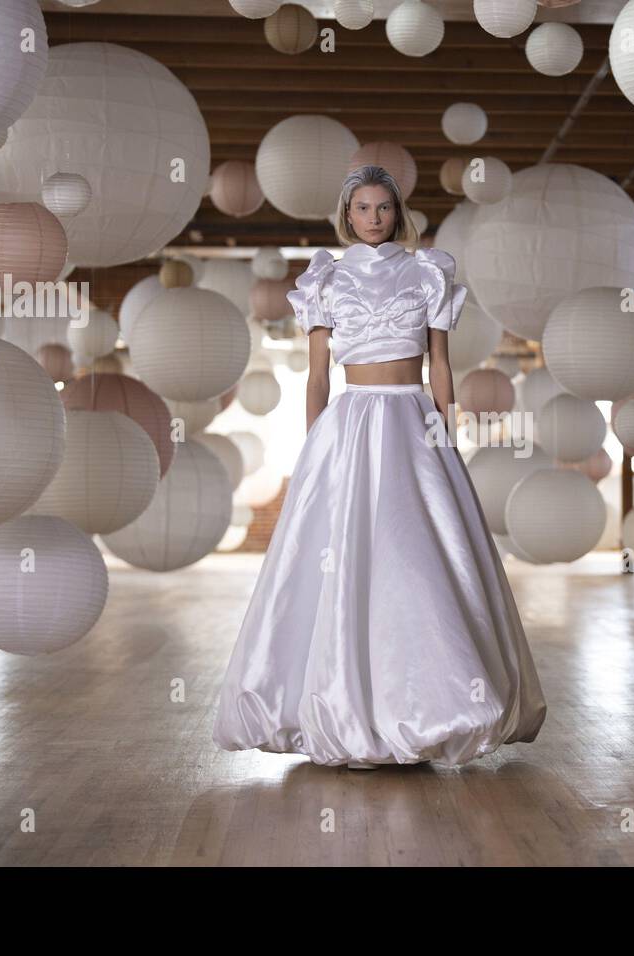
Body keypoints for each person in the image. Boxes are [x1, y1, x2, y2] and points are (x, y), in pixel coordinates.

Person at [212, 165, 547, 768]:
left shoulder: (428, 272)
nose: (373, 218)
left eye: (383, 208)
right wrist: (315, 444)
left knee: (417, 557)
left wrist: (445, 428)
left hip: (414, 420)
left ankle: (431, 707)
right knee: (342, 557)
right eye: (362, 208)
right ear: (347, 215)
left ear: (398, 213)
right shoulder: (325, 280)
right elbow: (317, 376)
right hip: (348, 426)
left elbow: (440, 366)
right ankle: (337, 707)